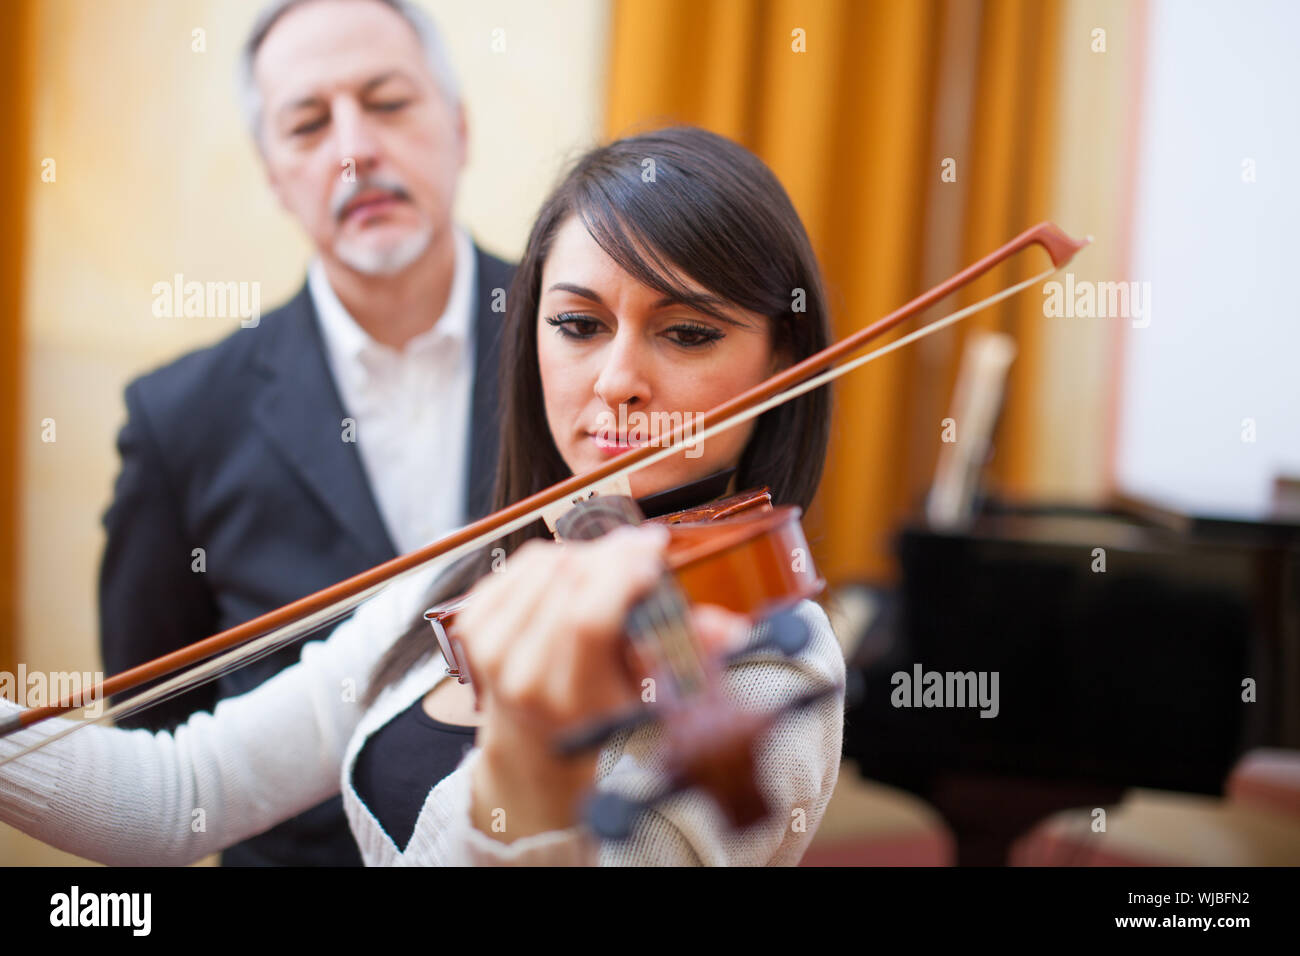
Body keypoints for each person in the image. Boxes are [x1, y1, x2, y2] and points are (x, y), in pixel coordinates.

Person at [3, 126, 845, 865]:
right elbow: (178, 792)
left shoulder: (766, 659)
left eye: (687, 333)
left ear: (783, 362)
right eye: (580, 325)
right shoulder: (473, 569)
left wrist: (528, 760)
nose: (617, 381)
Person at [97, 0, 513, 866]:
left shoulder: (582, 345)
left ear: (461, 126)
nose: (354, 152)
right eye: (308, 125)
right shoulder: (180, 418)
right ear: (274, 175)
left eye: (389, 102)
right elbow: (155, 735)